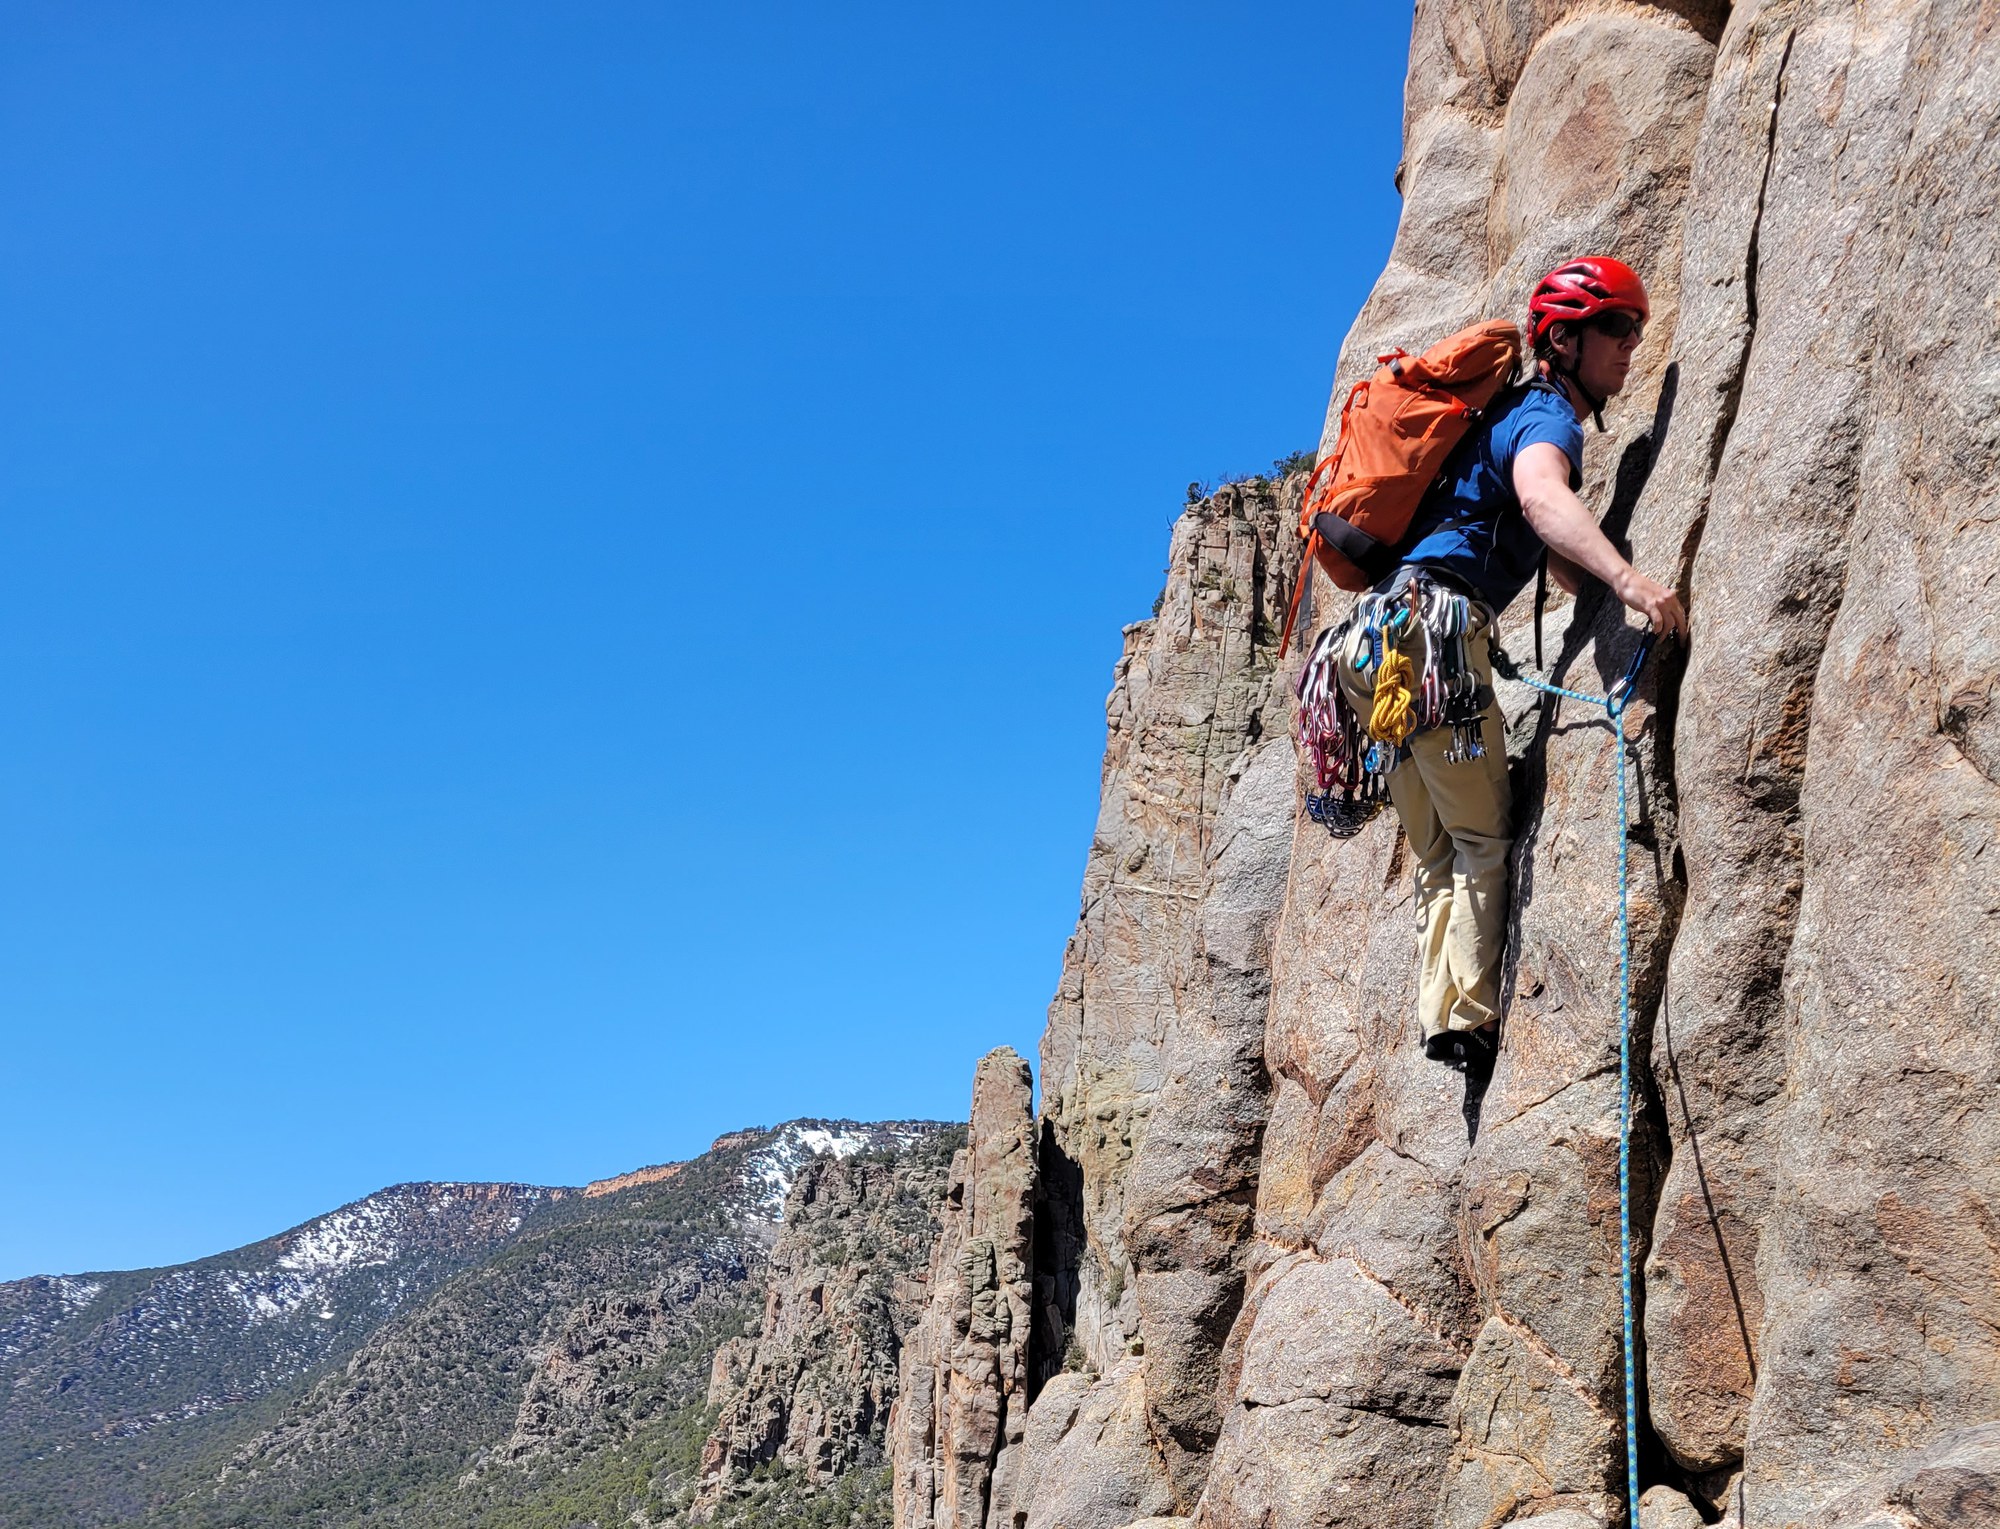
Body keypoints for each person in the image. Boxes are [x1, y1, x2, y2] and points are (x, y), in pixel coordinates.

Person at [1335, 256, 1690, 1071]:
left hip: (1370, 648)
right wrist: (1629, 580)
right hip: (1431, 637)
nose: (1631, 345)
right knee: (1482, 832)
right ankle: (1468, 1023)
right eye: (1617, 328)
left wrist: (1586, 566)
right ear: (1564, 341)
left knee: (1436, 845)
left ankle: (1443, 1017)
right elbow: (1540, 499)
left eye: (1634, 329)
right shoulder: (1546, 421)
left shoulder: (1500, 419)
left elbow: (1548, 549)